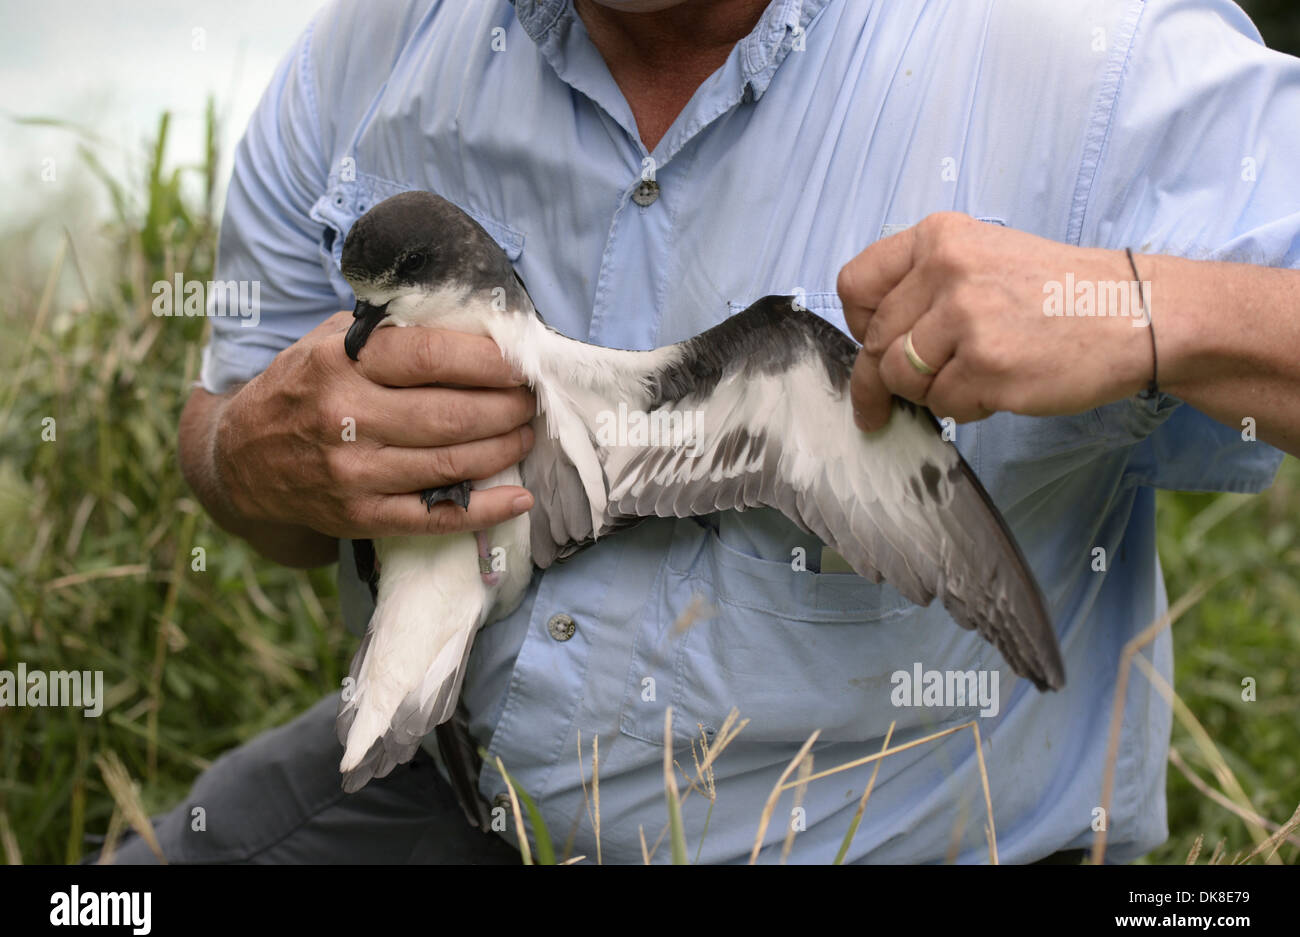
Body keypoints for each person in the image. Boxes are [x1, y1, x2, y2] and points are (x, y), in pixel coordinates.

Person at [110, 0, 1299, 863]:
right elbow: (239, 472)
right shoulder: (366, 53)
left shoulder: (1088, 60)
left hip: (871, 843)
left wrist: (1148, 306)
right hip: (441, 788)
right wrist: (243, 457)